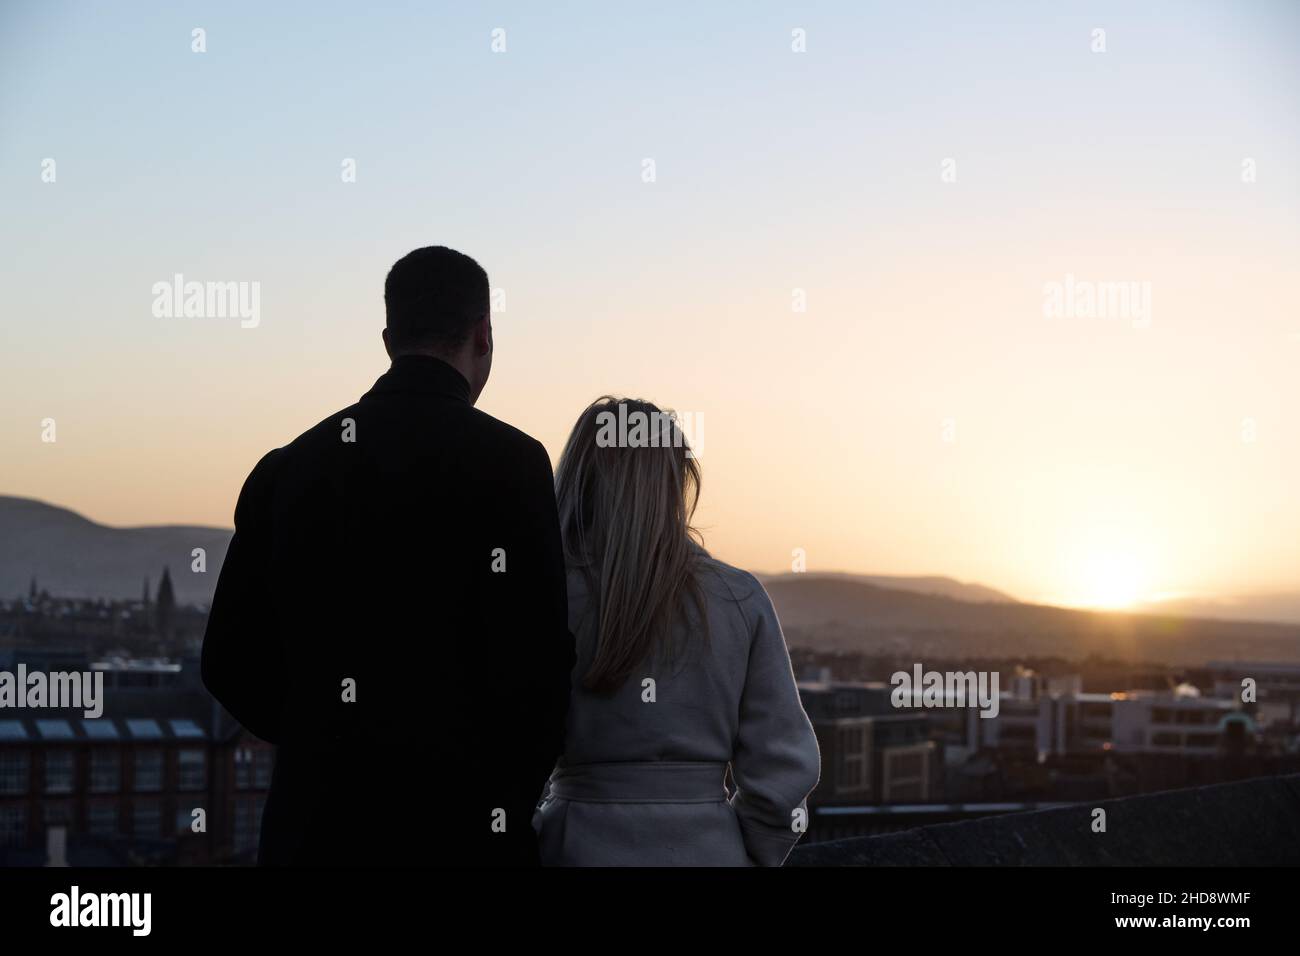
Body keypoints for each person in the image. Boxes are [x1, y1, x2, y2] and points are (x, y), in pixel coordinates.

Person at [202, 246, 574, 866]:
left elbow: (226, 662)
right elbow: (539, 667)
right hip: (463, 834)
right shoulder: (514, 464)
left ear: (388, 338)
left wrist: (318, 737)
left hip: (315, 831)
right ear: (483, 334)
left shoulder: (289, 467)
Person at [534, 397, 820, 865]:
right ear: (676, 482)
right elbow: (784, 770)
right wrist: (744, 850)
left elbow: (493, 750)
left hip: (575, 845)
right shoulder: (738, 598)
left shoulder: (546, 593)